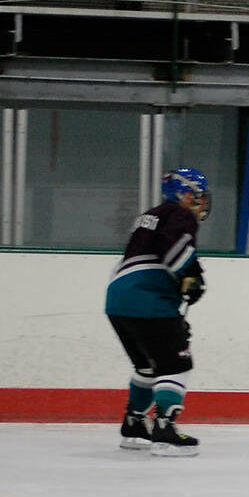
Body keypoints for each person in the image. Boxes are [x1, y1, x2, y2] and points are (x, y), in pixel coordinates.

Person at [104, 167, 209, 457]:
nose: (200, 203)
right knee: (176, 365)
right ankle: (164, 430)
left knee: (147, 366)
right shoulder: (179, 215)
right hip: (147, 300)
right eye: (198, 197)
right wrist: (192, 275)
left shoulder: (150, 215)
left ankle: (134, 426)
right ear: (185, 193)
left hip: (118, 300)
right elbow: (174, 247)